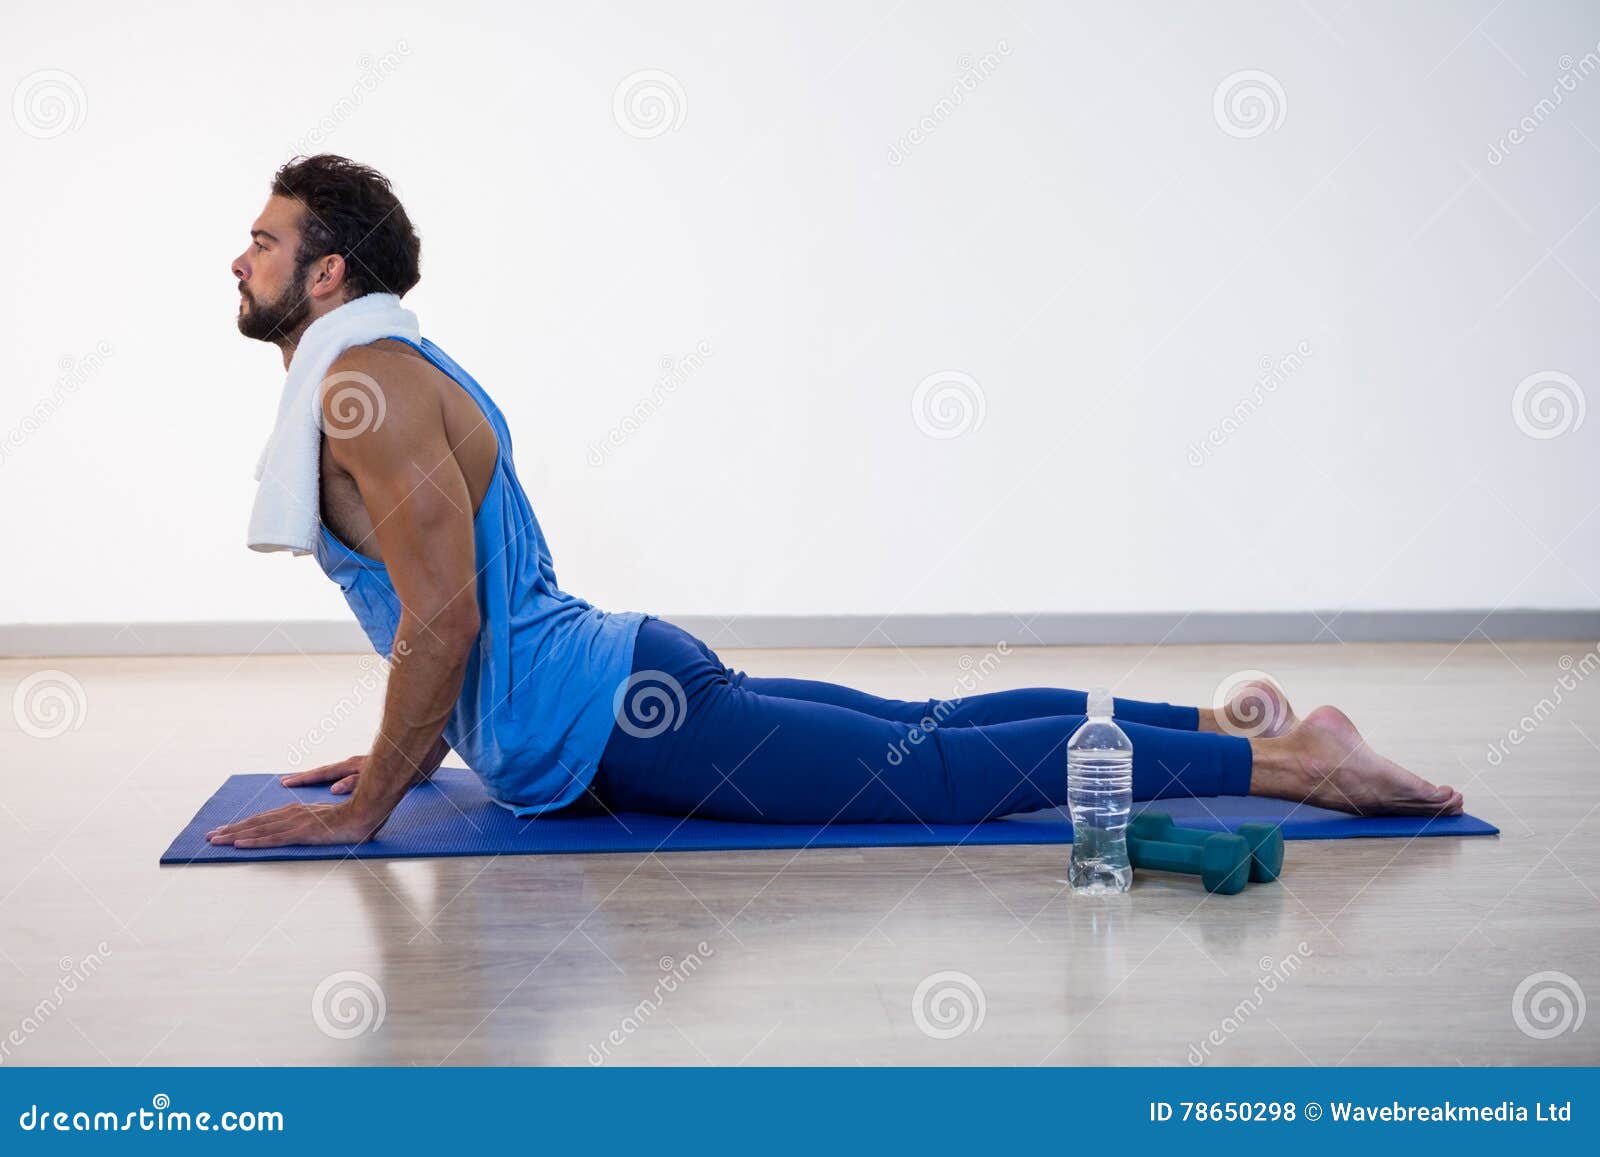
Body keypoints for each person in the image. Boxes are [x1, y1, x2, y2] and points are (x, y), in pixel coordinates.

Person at [207, 155, 1463, 850]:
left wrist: (375, 801)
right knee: (928, 728)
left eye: (263, 241)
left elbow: (446, 616)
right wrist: (395, 749)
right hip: (620, 685)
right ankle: (1212, 713)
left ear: (327, 274)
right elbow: (445, 617)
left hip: (614, 720)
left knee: (939, 780)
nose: (238, 257)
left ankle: (1293, 759)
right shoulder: (387, 369)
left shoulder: (363, 389)